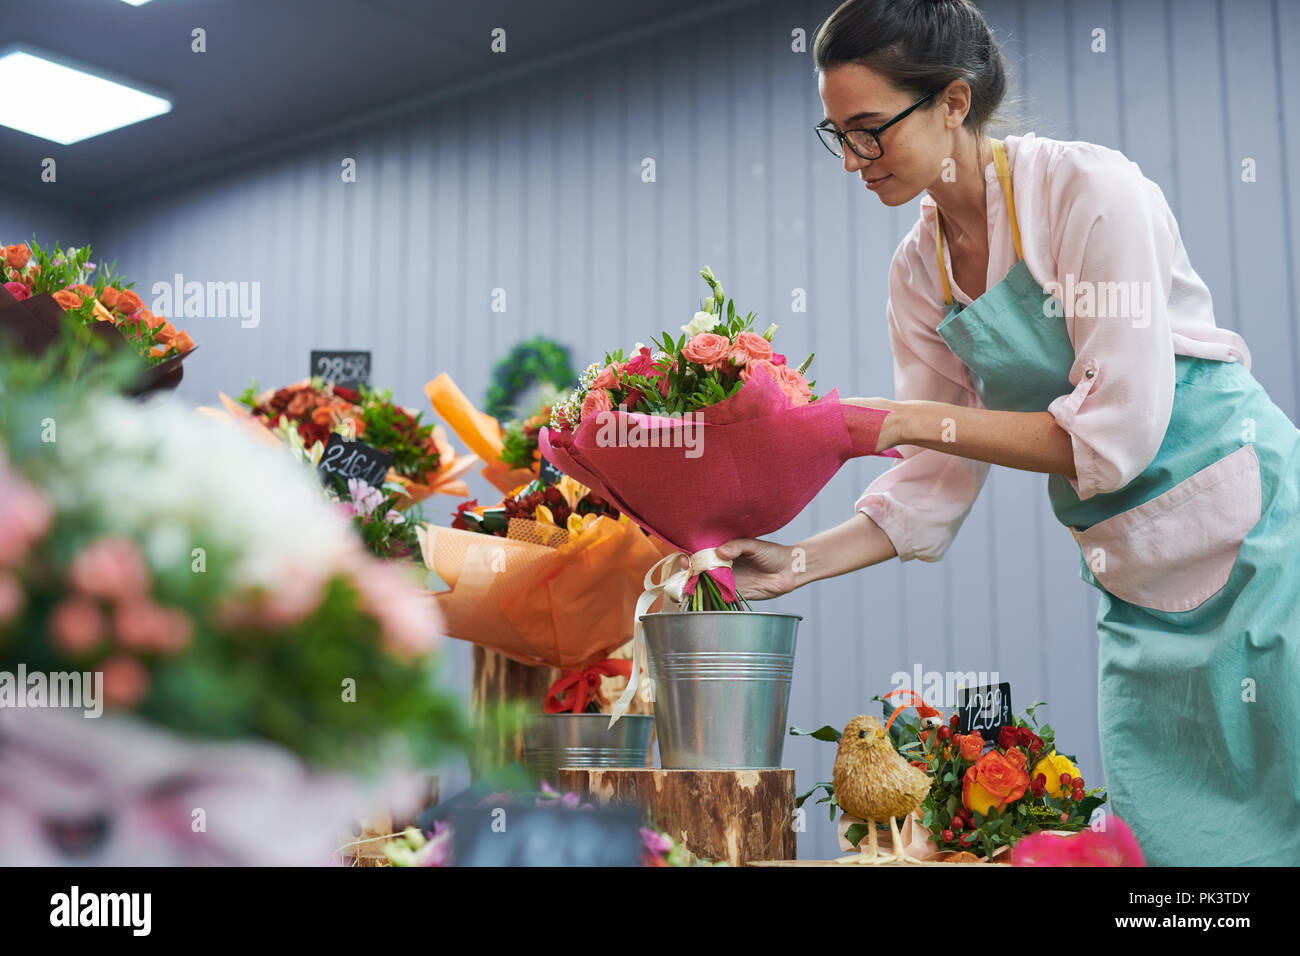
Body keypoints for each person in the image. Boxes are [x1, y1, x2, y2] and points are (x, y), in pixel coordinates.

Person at [719, 0, 1300, 865]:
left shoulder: (1088, 193)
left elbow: (1114, 439)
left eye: (871, 130)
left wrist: (901, 419)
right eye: (835, 133)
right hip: (1136, 580)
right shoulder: (918, 271)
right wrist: (792, 563)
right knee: (1175, 849)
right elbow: (929, 480)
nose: (851, 161)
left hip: (1257, 541)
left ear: (954, 102)